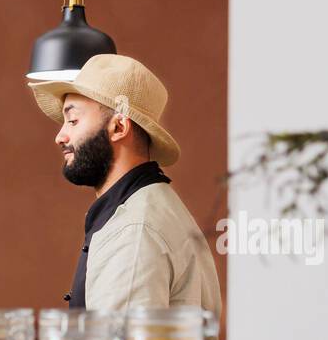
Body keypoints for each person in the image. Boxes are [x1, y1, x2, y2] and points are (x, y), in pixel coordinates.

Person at [29, 54, 222, 317]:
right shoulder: (149, 206)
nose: (60, 136)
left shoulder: (134, 229)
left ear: (119, 127)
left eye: (73, 120)